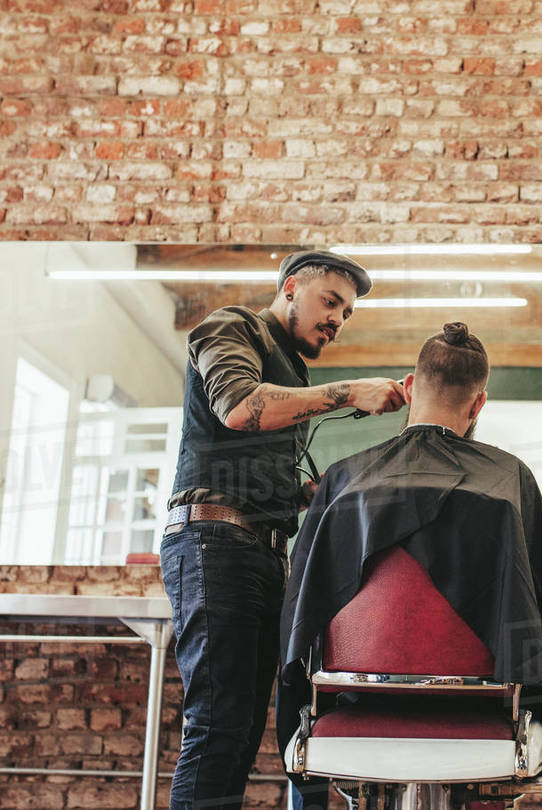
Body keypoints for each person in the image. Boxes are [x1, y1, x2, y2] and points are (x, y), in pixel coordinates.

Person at [278, 322, 542, 809]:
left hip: (357, 706)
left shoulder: (343, 480)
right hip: (482, 711)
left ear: (408, 386)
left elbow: (302, 613)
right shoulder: (509, 480)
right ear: (478, 403)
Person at [159, 250, 407, 810]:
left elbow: (251, 466)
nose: (337, 320)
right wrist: (348, 392)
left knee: (242, 733)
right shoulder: (232, 326)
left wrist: (308, 497)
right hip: (212, 543)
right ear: (291, 287)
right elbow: (238, 407)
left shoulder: (293, 370)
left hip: (259, 552)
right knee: (218, 727)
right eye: (330, 302)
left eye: (346, 313)